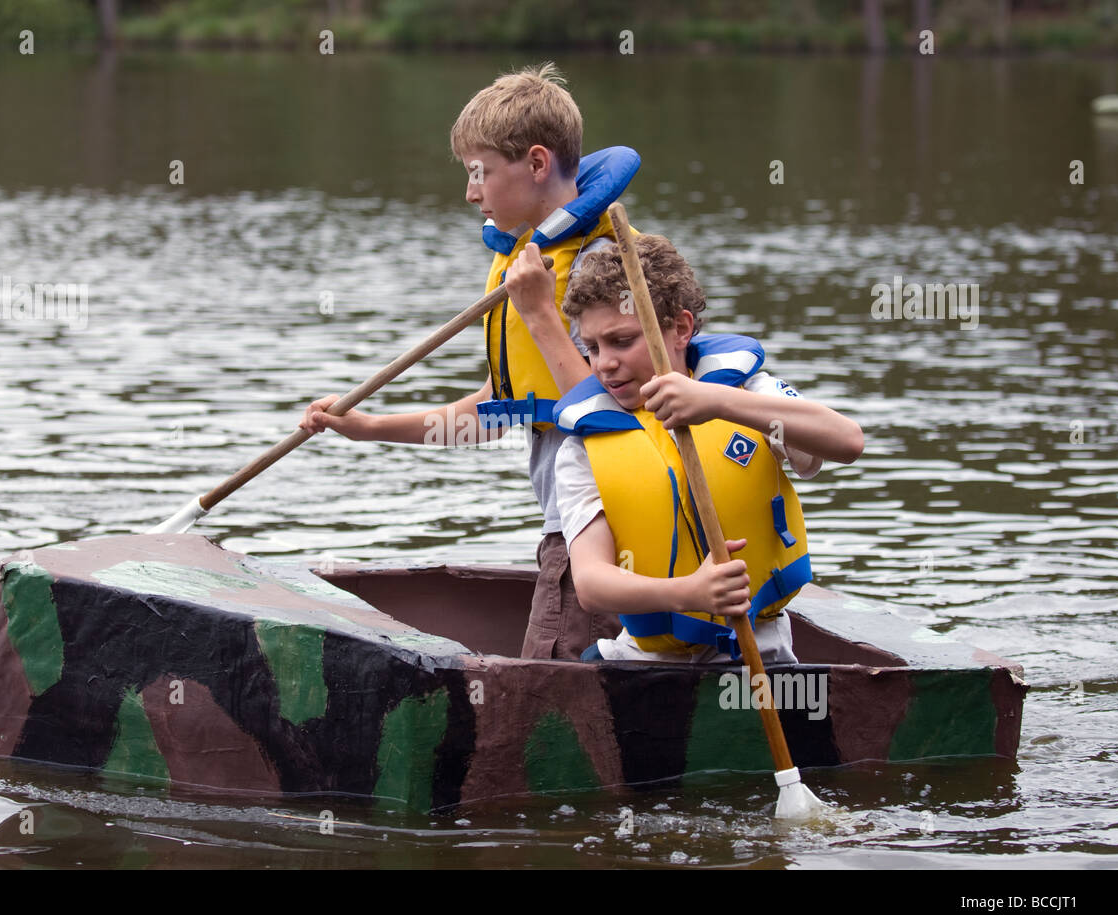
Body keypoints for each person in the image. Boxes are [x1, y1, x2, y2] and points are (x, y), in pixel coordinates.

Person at [300, 63, 643, 660]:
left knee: (553, 683)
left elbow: (616, 411)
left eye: (480, 172)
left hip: (604, 526)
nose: (471, 192)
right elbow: (497, 409)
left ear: (537, 164)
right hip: (567, 529)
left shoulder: (602, 265)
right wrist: (368, 429)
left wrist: (539, 312)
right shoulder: (530, 258)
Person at [550, 235, 865, 663]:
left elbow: (848, 442)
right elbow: (591, 584)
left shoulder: (748, 392)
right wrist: (689, 592)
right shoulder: (583, 448)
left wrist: (716, 402)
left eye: (621, 341)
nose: (604, 363)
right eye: (592, 347)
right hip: (649, 664)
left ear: (680, 329)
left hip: (763, 652)